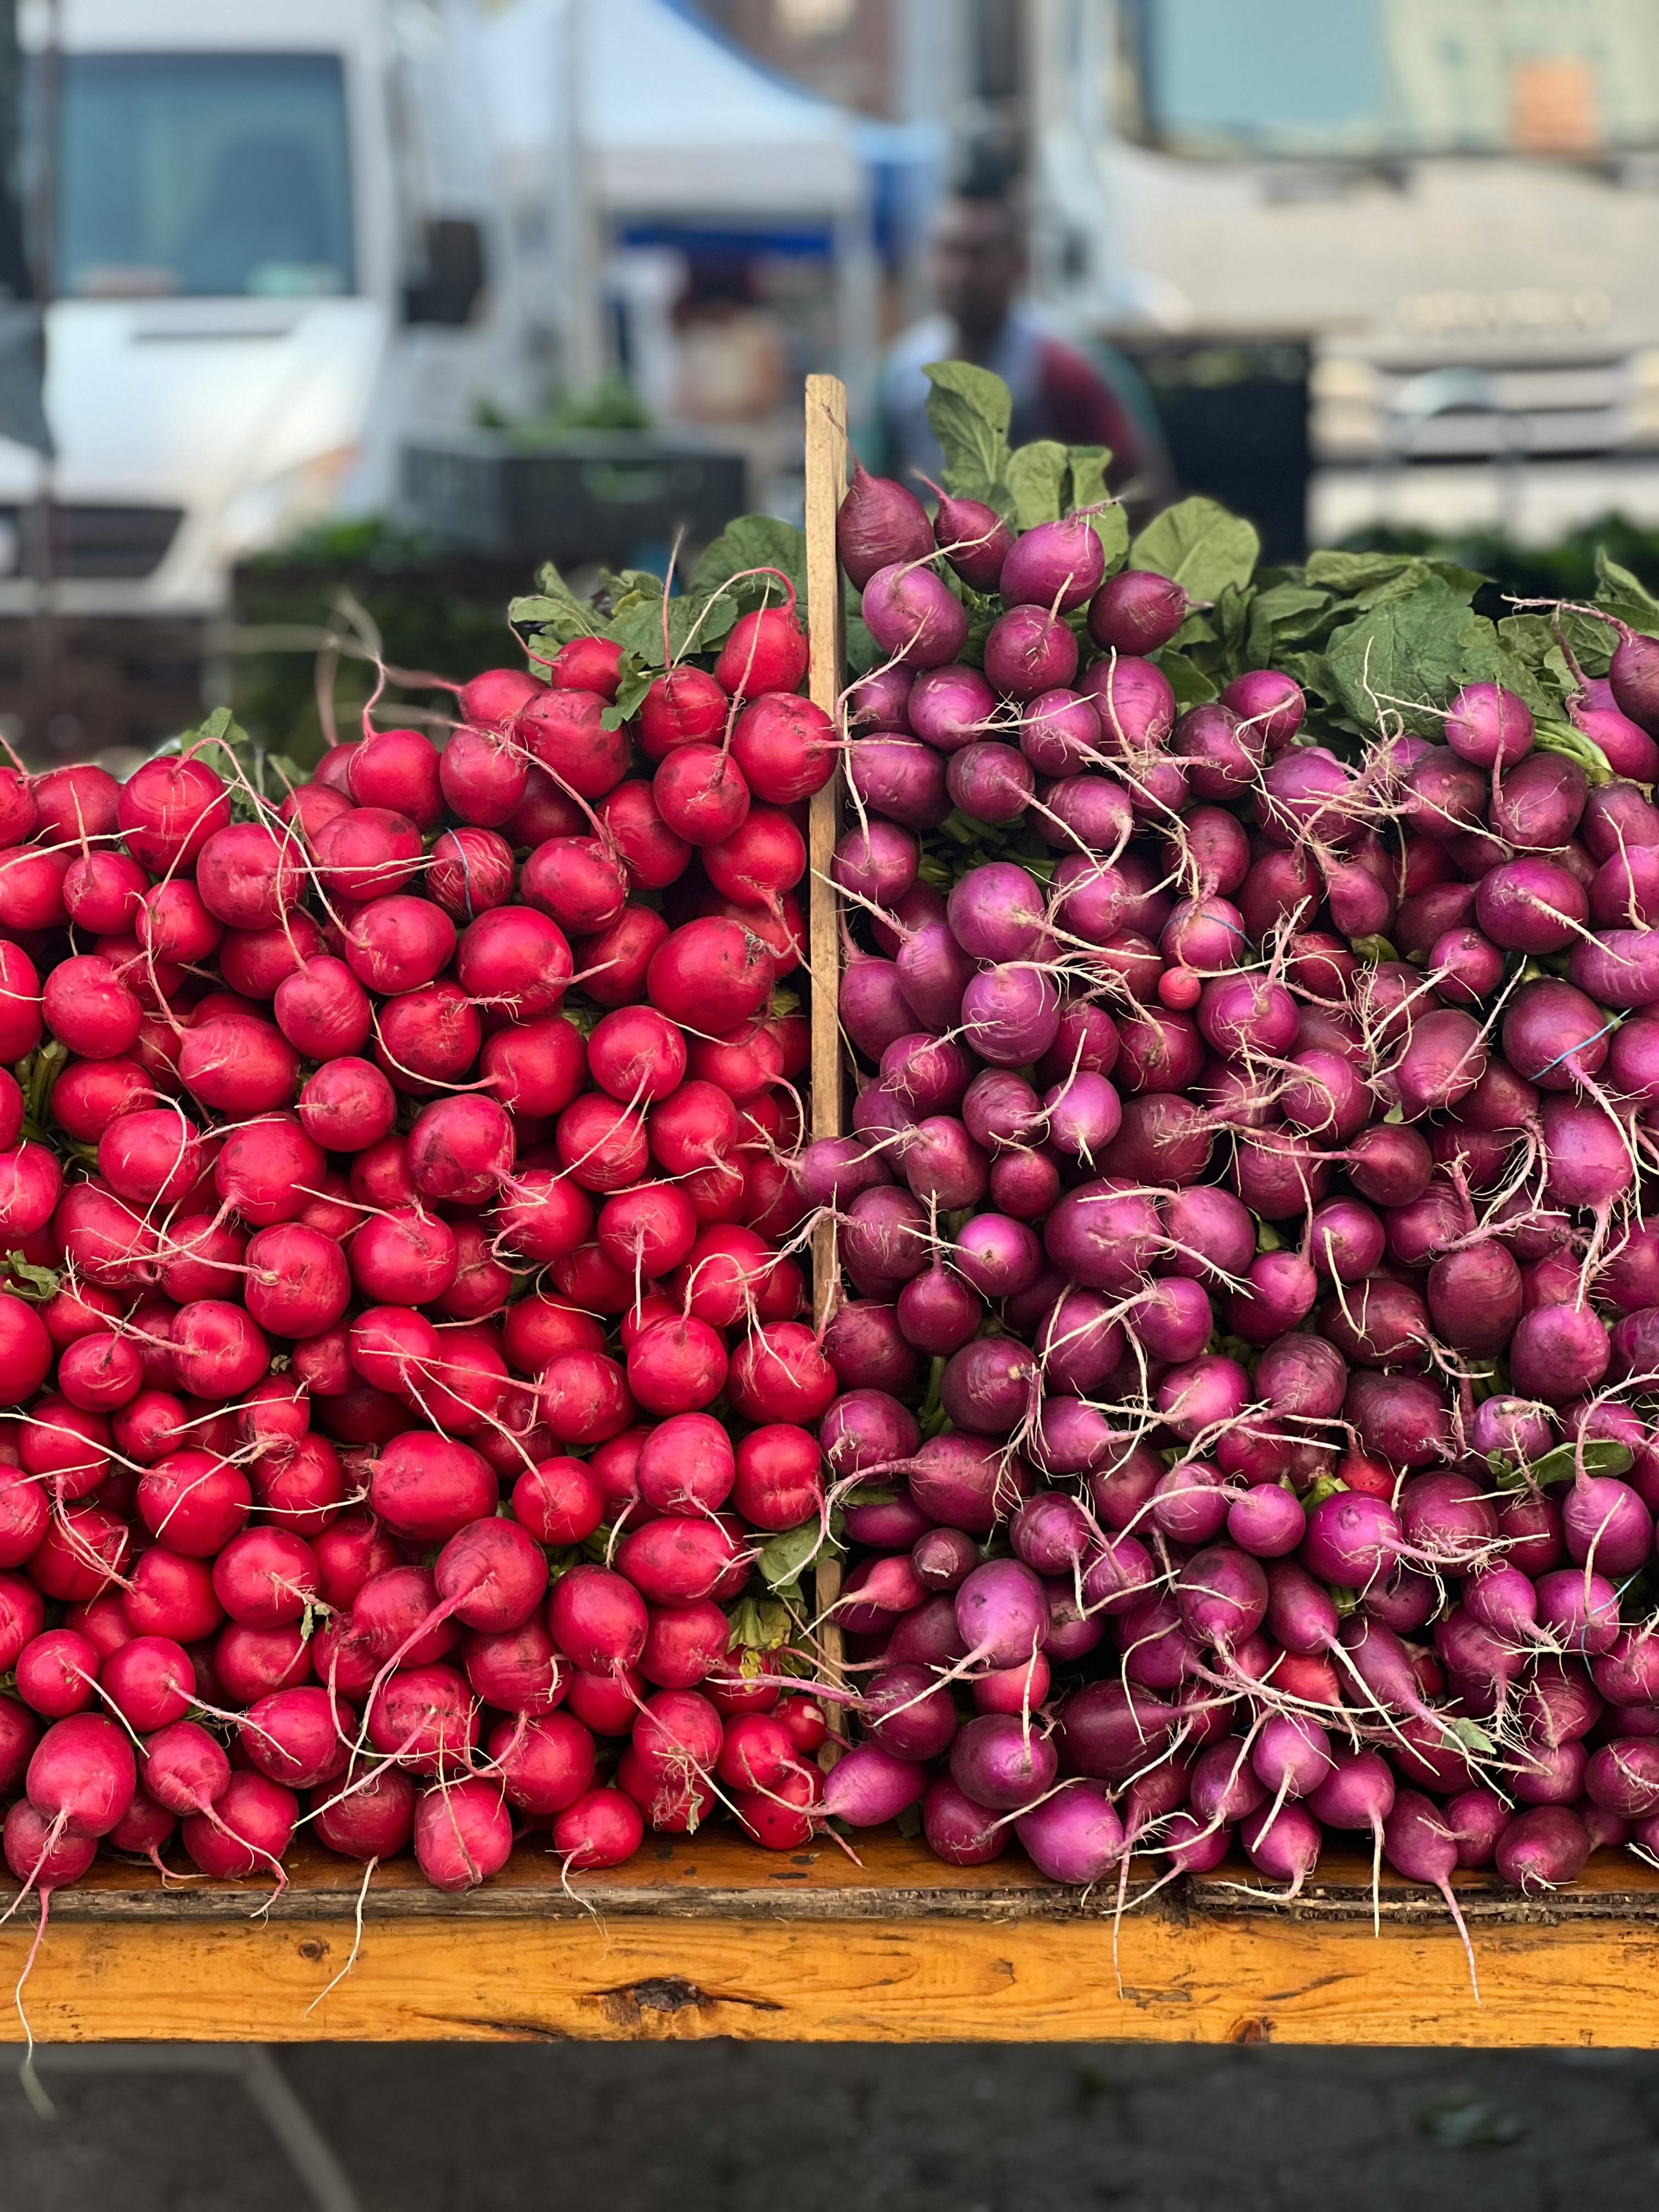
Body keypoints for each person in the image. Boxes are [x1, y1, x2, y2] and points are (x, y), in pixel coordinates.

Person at [879, 171, 1175, 523]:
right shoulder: (901, 373)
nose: (960, 274)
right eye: (949, 252)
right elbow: (871, 481)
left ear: (1019, 264)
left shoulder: (1064, 369)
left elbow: (1140, 487)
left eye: (979, 255)